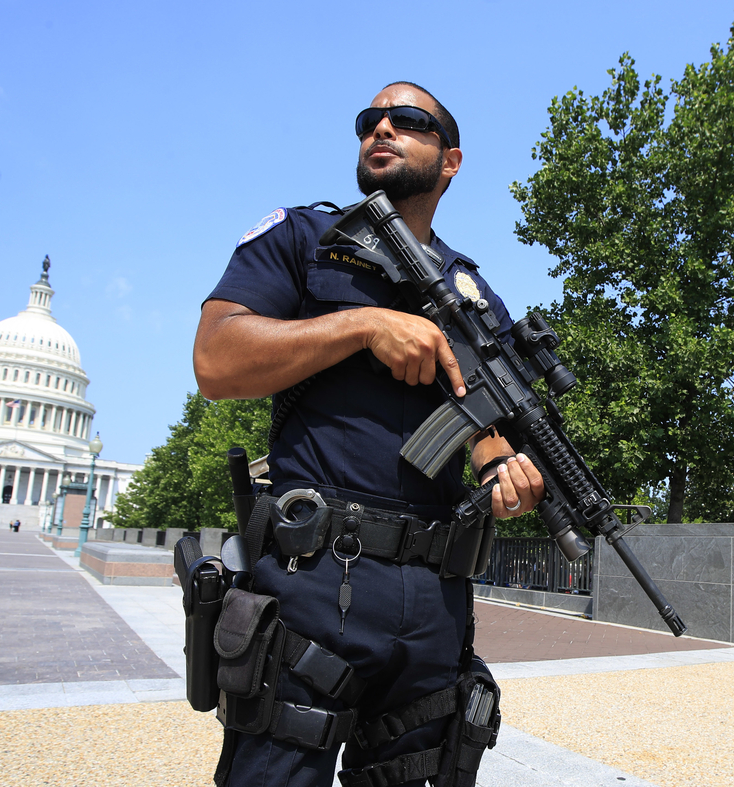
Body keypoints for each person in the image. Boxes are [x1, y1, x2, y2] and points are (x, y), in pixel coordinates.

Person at [193, 82, 545, 787]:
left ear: (450, 160)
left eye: (409, 121)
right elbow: (217, 359)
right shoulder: (305, 237)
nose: (381, 128)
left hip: (435, 601)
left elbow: (491, 437)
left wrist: (512, 478)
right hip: (312, 578)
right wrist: (361, 325)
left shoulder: (474, 297)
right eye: (370, 120)